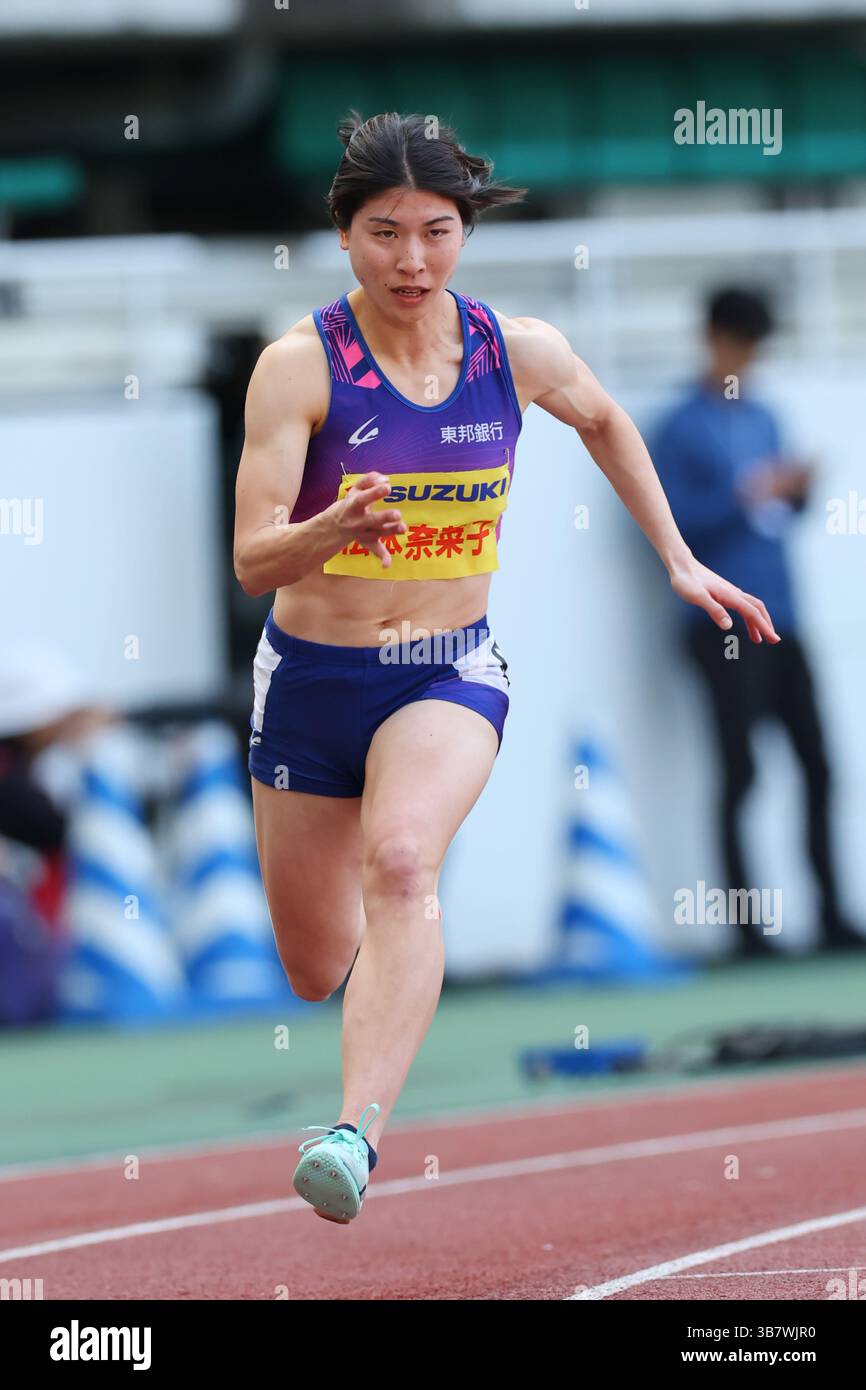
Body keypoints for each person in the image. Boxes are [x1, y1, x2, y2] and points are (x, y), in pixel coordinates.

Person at [233, 111, 780, 1225]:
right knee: (309, 963)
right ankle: (360, 1007)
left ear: (464, 231)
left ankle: (352, 1134)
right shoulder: (300, 367)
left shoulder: (509, 351)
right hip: (309, 680)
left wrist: (678, 557)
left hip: (445, 671)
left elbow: (604, 418)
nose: (411, 261)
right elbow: (251, 559)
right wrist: (328, 528)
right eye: (383, 233)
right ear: (344, 237)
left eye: (435, 231)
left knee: (399, 864)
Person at [651, 287, 863, 959]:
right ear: (713, 339)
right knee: (740, 771)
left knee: (820, 767)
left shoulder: (766, 417)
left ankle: (830, 914)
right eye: (740, 343)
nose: (748, 359)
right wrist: (749, 493)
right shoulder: (679, 426)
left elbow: (778, 518)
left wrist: (795, 493)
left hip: (782, 616)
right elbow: (673, 528)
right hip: (722, 624)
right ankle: (746, 929)